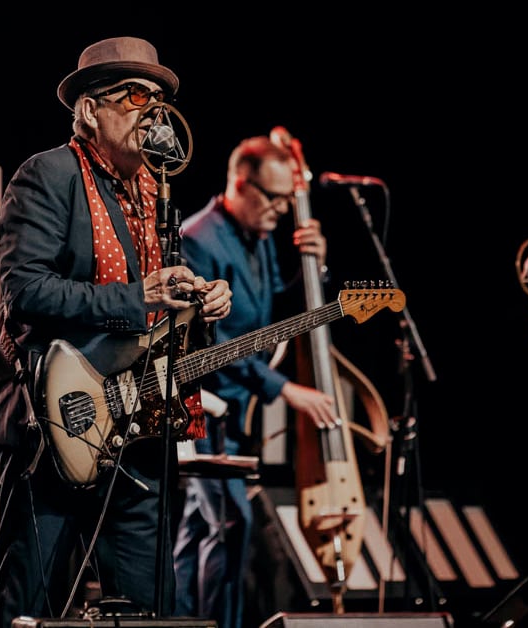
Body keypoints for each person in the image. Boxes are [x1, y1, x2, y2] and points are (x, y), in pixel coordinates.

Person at [0, 36, 233, 628]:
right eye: (134, 98)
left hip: (140, 426)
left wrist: (200, 303)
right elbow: (26, 290)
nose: (151, 113)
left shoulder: (153, 194)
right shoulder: (49, 174)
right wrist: (138, 295)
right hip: (56, 421)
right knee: (29, 603)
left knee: (149, 609)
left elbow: (156, 313)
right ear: (91, 110)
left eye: (158, 101)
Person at [172, 135, 339, 628]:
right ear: (240, 184)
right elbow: (215, 342)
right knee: (231, 524)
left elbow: (267, 314)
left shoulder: (258, 237)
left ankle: (182, 620)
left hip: (236, 410)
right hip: (202, 409)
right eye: (275, 198)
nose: (283, 209)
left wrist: (316, 264)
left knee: (200, 528)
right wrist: (284, 389)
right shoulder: (198, 240)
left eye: (289, 199)